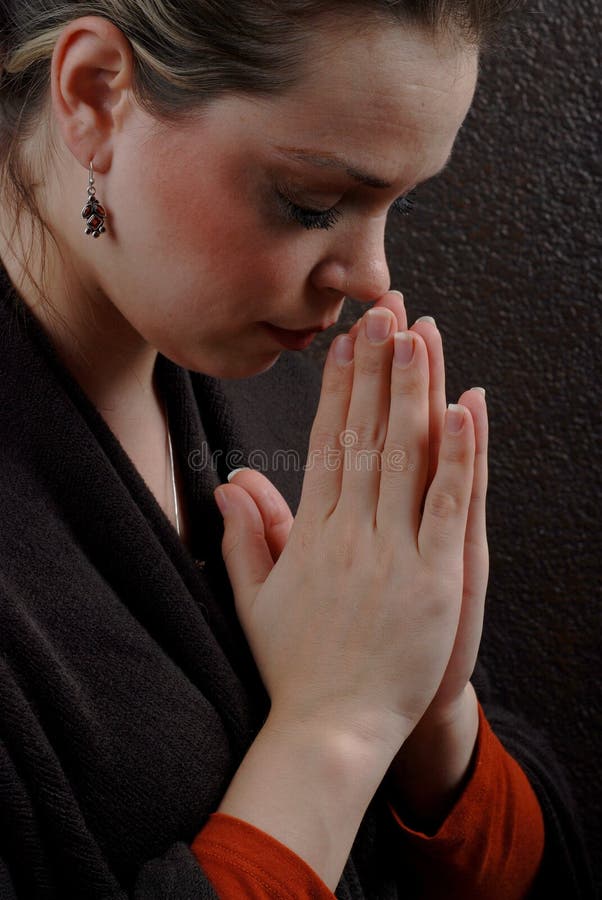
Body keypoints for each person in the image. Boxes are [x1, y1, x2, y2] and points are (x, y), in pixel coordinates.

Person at [0, 1, 593, 898]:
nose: (372, 277)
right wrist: (339, 725)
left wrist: (432, 710)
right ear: (94, 95)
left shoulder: (279, 385)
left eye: (398, 201)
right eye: (312, 202)